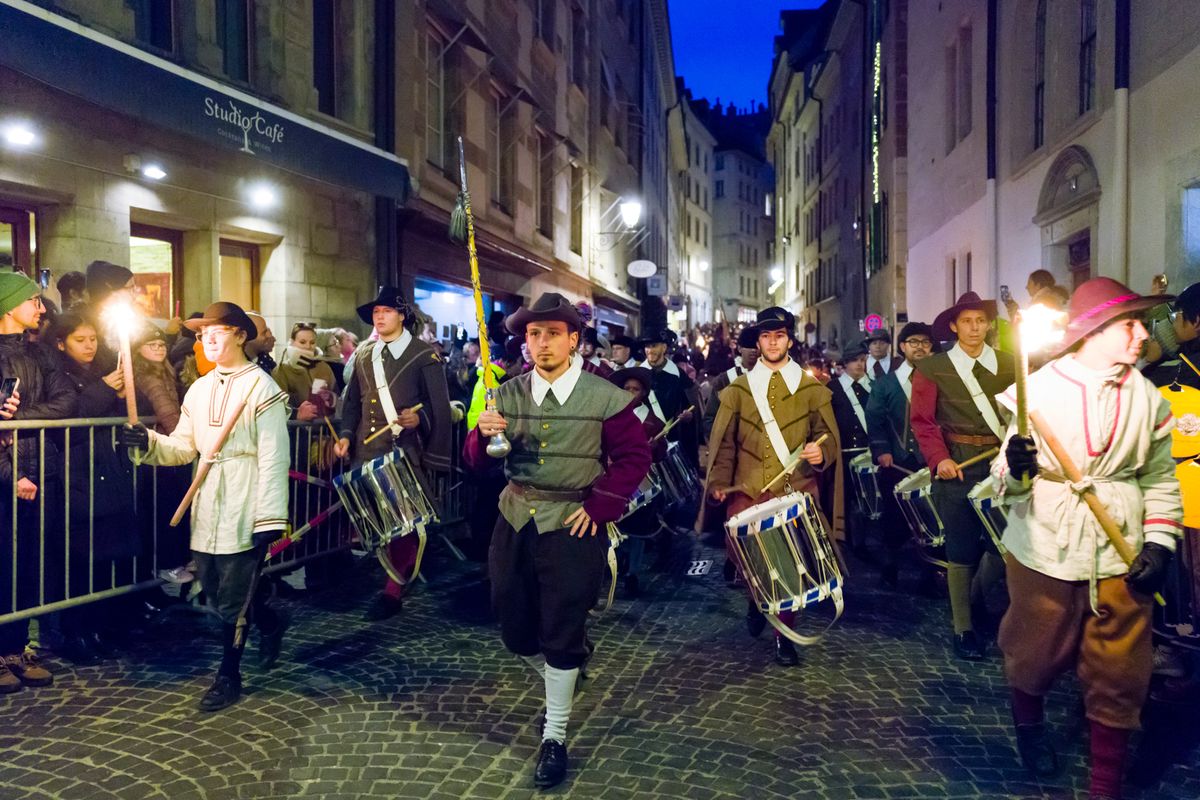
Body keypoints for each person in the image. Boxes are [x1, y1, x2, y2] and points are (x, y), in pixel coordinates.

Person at [994, 278, 1181, 800]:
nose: (1143, 334)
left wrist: (1159, 542)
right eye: (1131, 324)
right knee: (1034, 652)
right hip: (1046, 544)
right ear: (1097, 330)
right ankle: (1029, 726)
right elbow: (1003, 478)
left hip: (1120, 546)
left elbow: (1160, 476)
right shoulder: (1041, 388)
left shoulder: (1147, 396)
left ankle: (1105, 785)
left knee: (1120, 667)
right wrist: (1016, 467)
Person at [465, 293, 650, 790]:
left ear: (574, 340)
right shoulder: (504, 393)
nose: (541, 343)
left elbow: (635, 457)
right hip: (515, 517)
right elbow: (478, 463)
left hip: (574, 522)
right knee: (513, 622)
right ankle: (565, 667)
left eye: (551, 334)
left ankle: (555, 735)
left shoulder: (603, 396)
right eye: (533, 334)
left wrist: (600, 507)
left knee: (563, 626)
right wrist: (482, 437)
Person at [119, 301, 290, 712]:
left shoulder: (261, 388)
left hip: (246, 498)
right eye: (200, 333)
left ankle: (229, 673)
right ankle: (270, 620)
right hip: (209, 499)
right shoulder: (200, 388)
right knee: (213, 591)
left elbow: (273, 456)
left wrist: (269, 516)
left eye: (217, 331)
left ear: (241, 336)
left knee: (233, 594)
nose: (206, 339)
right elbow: (183, 447)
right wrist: (149, 443)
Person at [706, 306, 842, 666]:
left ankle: (784, 636)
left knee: (790, 566)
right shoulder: (738, 390)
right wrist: (720, 482)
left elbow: (829, 439)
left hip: (795, 489)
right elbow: (727, 446)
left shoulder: (812, 390)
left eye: (779, 335)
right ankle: (756, 598)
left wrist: (820, 451)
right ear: (758, 342)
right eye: (765, 336)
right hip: (747, 491)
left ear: (789, 340)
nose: (772, 342)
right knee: (753, 563)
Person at [335, 287, 452, 621]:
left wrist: (420, 418)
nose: (380, 316)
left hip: (403, 450)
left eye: (386, 311)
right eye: (376, 312)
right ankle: (395, 573)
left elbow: (439, 406)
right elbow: (353, 402)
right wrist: (345, 436)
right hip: (365, 449)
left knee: (402, 523)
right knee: (377, 521)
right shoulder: (363, 353)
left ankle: (392, 590)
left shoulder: (422, 354)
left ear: (402, 315)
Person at [910, 291, 1013, 660]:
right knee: (962, 547)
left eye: (981, 321)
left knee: (1005, 544)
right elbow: (923, 423)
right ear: (954, 326)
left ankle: (971, 600)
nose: (974, 328)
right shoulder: (933, 367)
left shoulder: (1010, 364)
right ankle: (963, 627)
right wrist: (939, 459)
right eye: (967, 321)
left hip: (1001, 462)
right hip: (956, 466)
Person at [47, 312, 140, 665]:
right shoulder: (60, 374)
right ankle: (74, 632)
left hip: (103, 470)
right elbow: (71, 413)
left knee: (104, 557)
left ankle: (99, 628)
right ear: (61, 343)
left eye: (92, 339)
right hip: (75, 473)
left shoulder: (100, 370)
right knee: (78, 559)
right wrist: (104, 388)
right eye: (79, 340)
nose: (89, 346)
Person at [0, 273, 74, 694]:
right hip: (9, 478)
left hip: (41, 471)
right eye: (32, 300)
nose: (41, 308)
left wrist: (18, 418)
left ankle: (15, 649)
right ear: (9, 307)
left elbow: (66, 401)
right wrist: (12, 477)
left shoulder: (42, 353)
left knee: (29, 566)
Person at [865, 322, 936, 588]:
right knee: (894, 516)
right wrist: (882, 450)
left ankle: (929, 572)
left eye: (925, 342)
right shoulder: (886, 384)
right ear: (903, 347)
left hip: (928, 460)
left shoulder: (937, 379)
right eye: (913, 342)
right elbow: (874, 418)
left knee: (930, 515)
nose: (919, 347)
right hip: (895, 461)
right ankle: (891, 565)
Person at [610, 365, 666, 598]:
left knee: (638, 532)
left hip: (642, 483)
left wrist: (654, 447)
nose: (631, 392)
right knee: (616, 527)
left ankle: (633, 573)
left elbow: (662, 453)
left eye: (636, 389)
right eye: (627, 388)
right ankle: (619, 564)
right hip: (616, 482)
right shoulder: (613, 416)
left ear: (644, 393)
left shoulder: (654, 422)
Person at [830, 343, 873, 559]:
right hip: (844, 454)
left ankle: (861, 542)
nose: (860, 364)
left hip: (867, 453)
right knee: (846, 500)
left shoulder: (872, 387)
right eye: (855, 360)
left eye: (863, 360)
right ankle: (846, 539)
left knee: (864, 498)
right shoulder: (832, 389)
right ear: (845, 364)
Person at [702, 327, 759, 439]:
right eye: (748, 346)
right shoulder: (725, 380)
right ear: (740, 348)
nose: (753, 350)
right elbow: (709, 419)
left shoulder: (771, 378)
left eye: (756, 346)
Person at [274, 321, 337, 420]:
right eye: (302, 342)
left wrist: (330, 398)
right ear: (292, 342)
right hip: (295, 432)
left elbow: (336, 395)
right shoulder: (282, 370)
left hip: (322, 429)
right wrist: (296, 414)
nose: (308, 346)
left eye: (312, 342)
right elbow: (277, 406)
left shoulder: (324, 367)